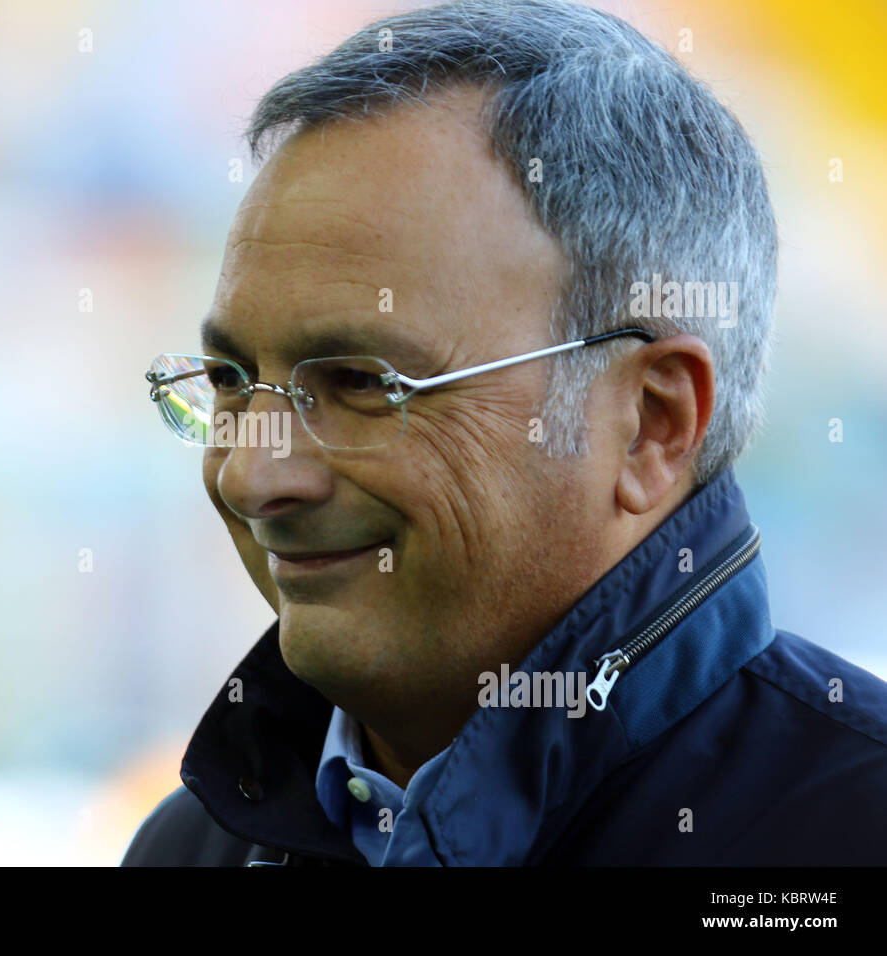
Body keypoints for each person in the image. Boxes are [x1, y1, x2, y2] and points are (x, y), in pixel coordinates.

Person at [122, 0, 887, 866]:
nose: (253, 477)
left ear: (650, 425)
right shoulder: (191, 848)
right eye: (229, 382)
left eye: (364, 384)